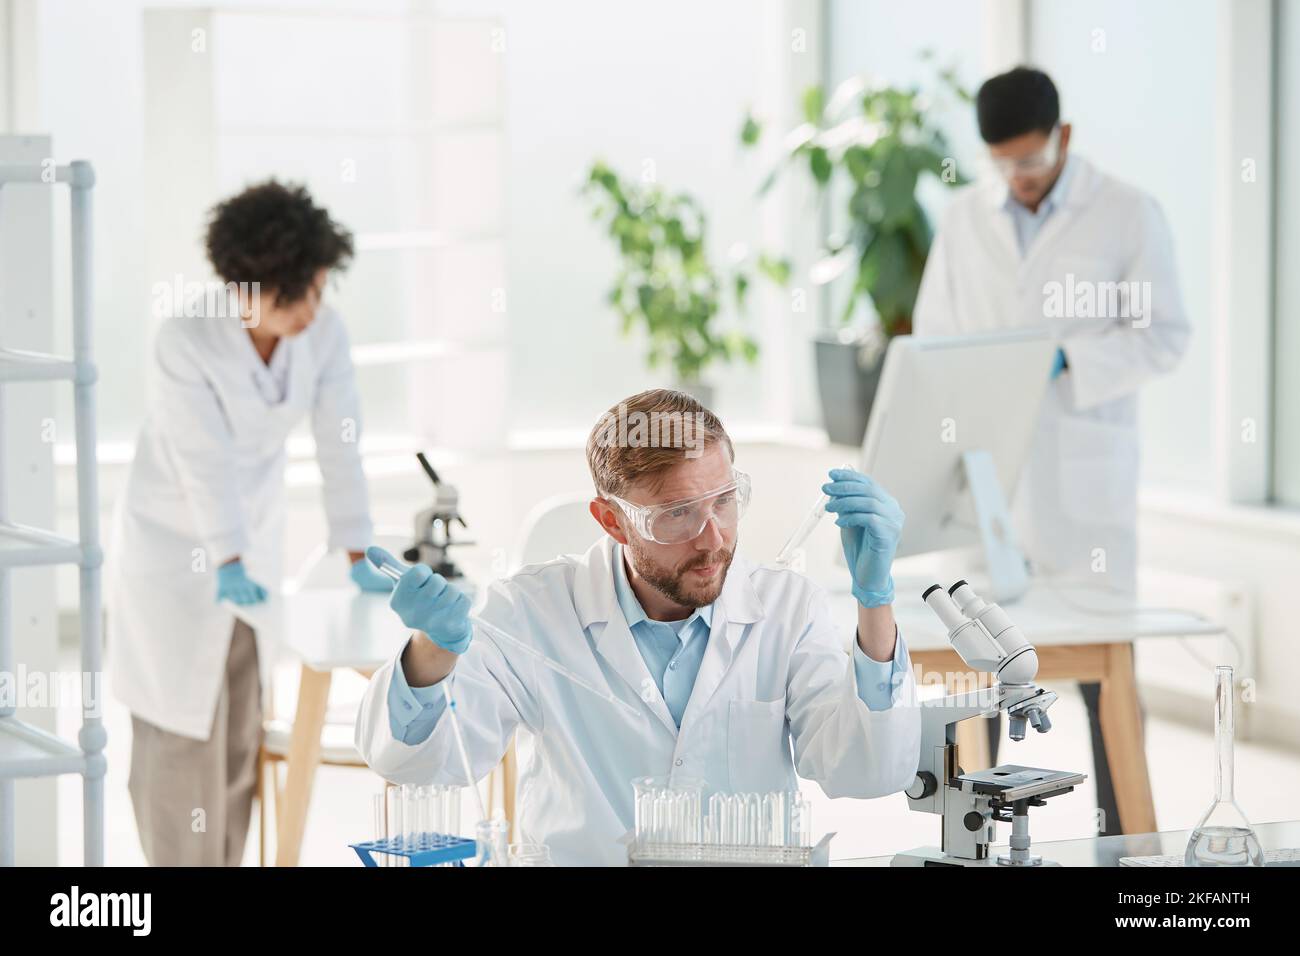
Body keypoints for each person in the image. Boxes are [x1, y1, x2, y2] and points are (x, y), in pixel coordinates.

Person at [356, 389, 921, 865]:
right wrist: (432, 649)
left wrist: (876, 600)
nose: (713, 538)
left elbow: (868, 769)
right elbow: (427, 766)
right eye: (676, 514)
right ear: (612, 521)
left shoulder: (786, 607)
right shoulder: (532, 613)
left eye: (724, 501)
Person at [913, 67, 1191, 833]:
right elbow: (934, 338)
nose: (1019, 179)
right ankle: (971, 842)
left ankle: (1123, 843)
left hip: (1083, 488)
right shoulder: (966, 219)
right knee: (980, 676)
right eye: (1003, 164)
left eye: (1030, 162)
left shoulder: (1130, 213)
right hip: (986, 481)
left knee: (1103, 679)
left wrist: (1070, 360)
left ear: (1063, 138)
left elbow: (1167, 335)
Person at [107, 181, 394, 866]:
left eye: (320, 290)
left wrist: (357, 548)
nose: (311, 309)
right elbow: (201, 461)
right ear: (248, 288)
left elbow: (338, 438)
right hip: (176, 552)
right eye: (298, 294)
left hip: (250, 550)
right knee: (182, 731)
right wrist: (226, 558)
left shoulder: (321, 333)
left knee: (240, 723)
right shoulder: (186, 340)